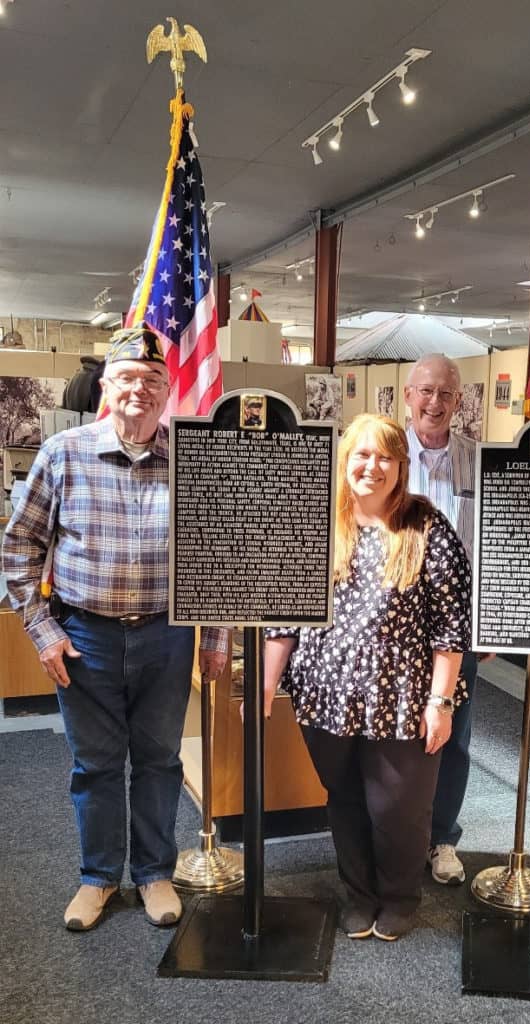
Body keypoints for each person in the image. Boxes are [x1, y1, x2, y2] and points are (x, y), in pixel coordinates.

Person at [2, 323, 229, 932]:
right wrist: (44, 632)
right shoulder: (64, 453)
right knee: (96, 765)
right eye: (128, 378)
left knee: (158, 761)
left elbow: (216, 550)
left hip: (166, 634)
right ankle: (98, 878)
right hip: (85, 639)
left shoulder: (190, 456)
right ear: (107, 386)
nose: (141, 390)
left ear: (168, 389)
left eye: (154, 380)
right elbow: (18, 548)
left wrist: (216, 634)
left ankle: (154, 873)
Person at [263, 414, 471, 941]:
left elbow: (451, 626)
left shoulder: (428, 528)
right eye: (361, 454)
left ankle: (399, 896)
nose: (371, 467)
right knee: (346, 797)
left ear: (401, 467)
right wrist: (266, 686)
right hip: (325, 693)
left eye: (384, 457)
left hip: (403, 694)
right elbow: (286, 619)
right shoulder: (317, 523)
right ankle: (359, 893)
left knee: (398, 806)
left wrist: (440, 703)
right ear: (344, 460)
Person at [403, 354, 478, 886]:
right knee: (393, 735)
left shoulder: (481, 461)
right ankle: (399, 837)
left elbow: (498, 543)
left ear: (459, 400)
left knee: (452, 735)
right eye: (426, 391)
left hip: (461, 626)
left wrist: (491, 620)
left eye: (446, 394)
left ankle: (442, 839)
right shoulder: (382, 456)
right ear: (407, 395)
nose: (435, 403)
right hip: (393, 625)